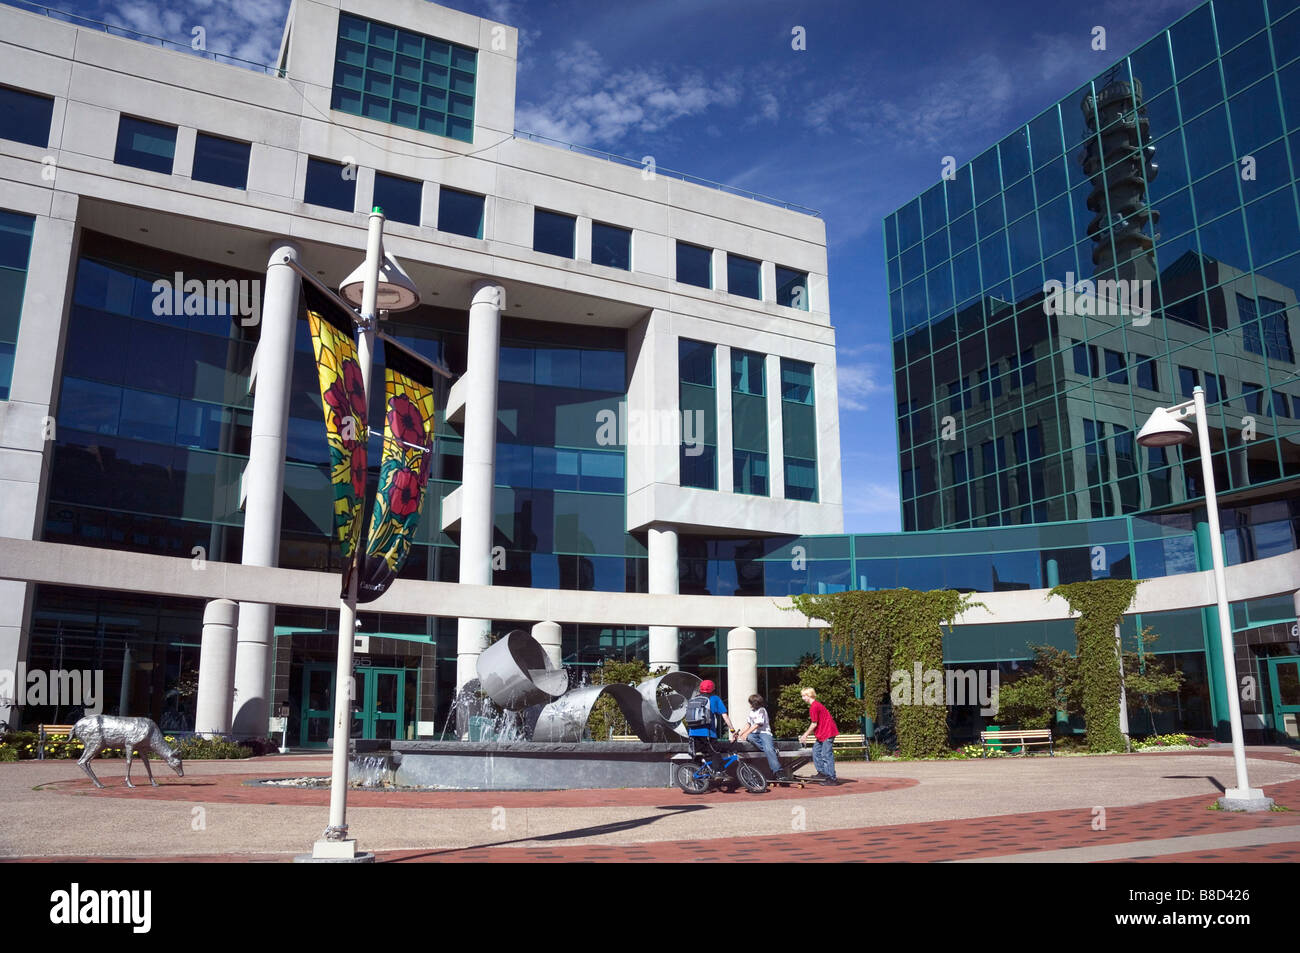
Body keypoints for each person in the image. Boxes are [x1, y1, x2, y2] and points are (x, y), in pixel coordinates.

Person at [686, 679, 735, 775]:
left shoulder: (694, 699)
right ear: (713, 689)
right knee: (715, 752)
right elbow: (725, 716)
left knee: (698, 755)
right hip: (707, 733)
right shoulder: (715, 699)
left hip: (693, 733)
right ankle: (719, 773)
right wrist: (732, 730)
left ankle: (697, 781)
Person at [737, 693, 786, 780]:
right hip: (754, 734)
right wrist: (740, 733)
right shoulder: (752, 712)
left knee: (768, 749)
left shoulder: (762, 710)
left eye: (750, 702)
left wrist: (746, 733)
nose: (750, 704)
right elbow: (748, 724)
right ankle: (772, 750)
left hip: (764, 733)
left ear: (754, 703)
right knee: (751, 738)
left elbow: (757, 725)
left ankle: (778, 771)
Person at [798, 687, 839, 784]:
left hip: (828, 733)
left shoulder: (814, 706)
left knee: (826, 754)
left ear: (809, 695)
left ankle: (832, 778)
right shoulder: (815, 705)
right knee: (816, 751)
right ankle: (822, 772)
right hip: (822, 733)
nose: (803, 698)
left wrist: (805, 735)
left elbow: (814, 723)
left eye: (804, 696)